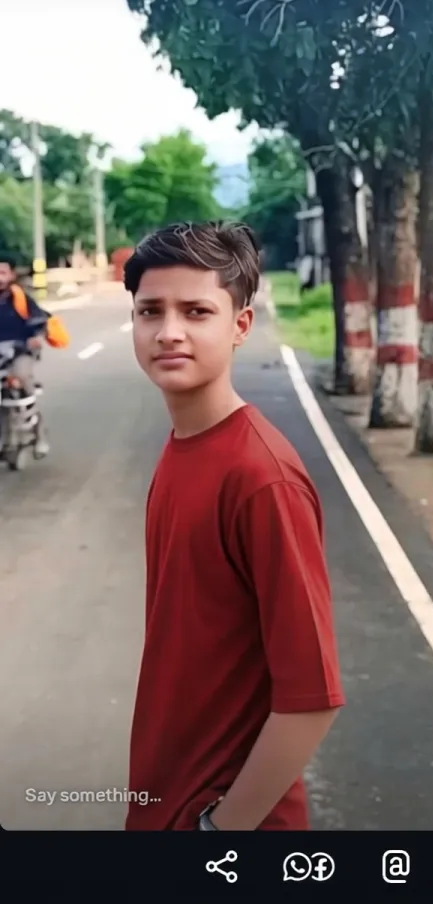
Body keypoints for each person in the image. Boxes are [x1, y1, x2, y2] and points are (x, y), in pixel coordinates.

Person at [123, 221, 345, 832]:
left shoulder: (261, 478)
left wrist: (222, 829)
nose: (169, 332)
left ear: (240, 325)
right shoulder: (183, 446)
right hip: (164, 798)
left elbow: (311, 699)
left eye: (196, 311)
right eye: (150, 312)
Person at [0, 254, 70, 456]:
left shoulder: (21, 297)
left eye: (3, 272)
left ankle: (38, 432)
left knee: (22, 381)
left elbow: (40, 320)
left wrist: (37, 337)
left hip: (20, 350)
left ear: (11, 274)